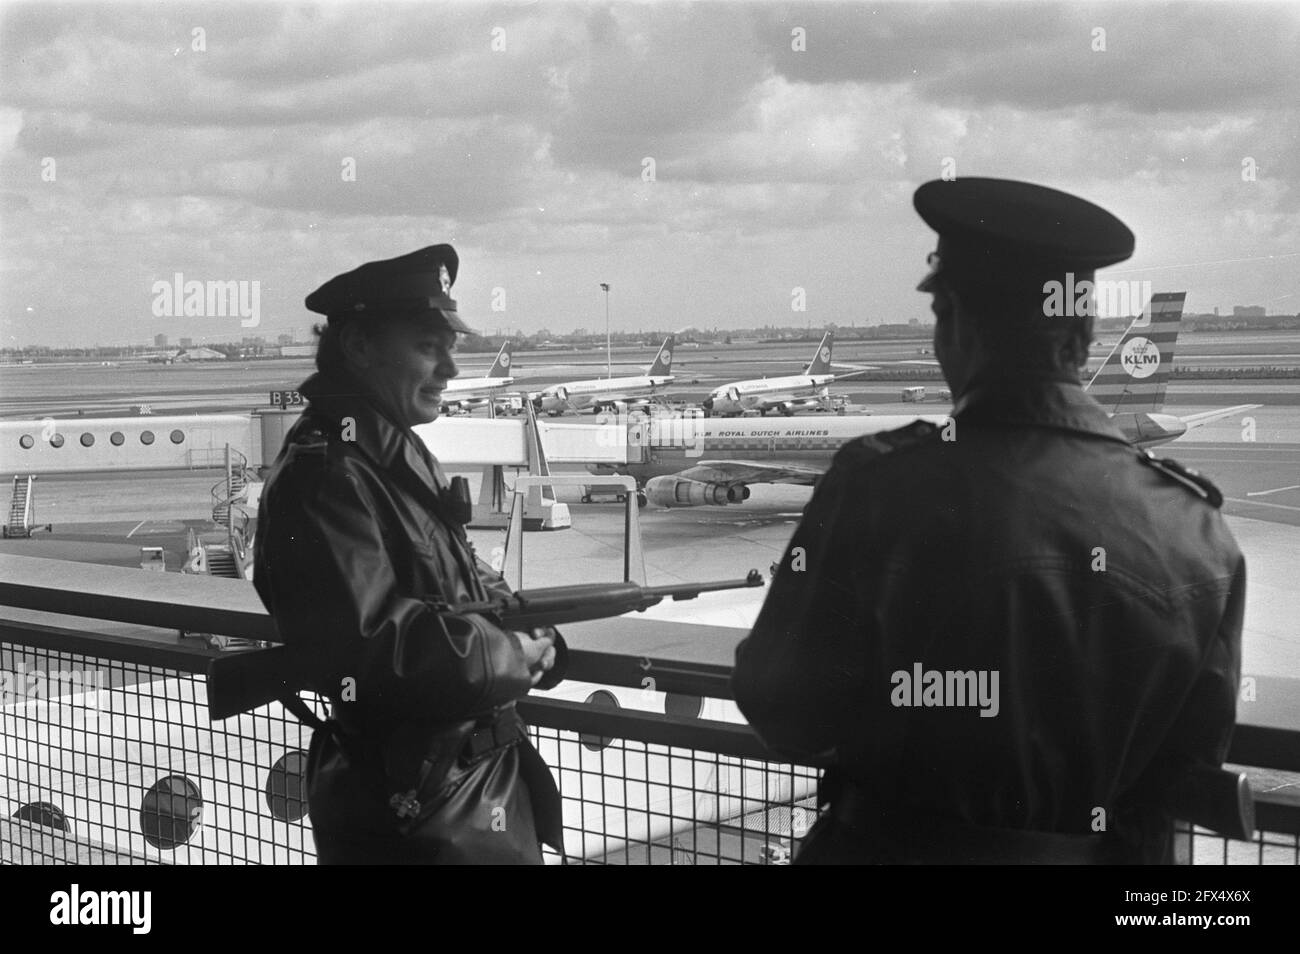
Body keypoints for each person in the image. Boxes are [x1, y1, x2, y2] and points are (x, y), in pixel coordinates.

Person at [732, 178, 1245, 864]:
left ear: (956, 322)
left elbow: (783, 710)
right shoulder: (1198, 528)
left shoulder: (878, 486)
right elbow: (1190, 761)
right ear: (1086, 331)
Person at [253, 244, 565, 864]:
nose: (450, 368)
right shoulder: (327, 474)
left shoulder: (389, 451)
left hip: (459, 794)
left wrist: (527, 622)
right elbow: (368, 645)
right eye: (428, 346)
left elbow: (455, 571)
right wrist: (509, 653)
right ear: (361, 347)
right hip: (420, 811)